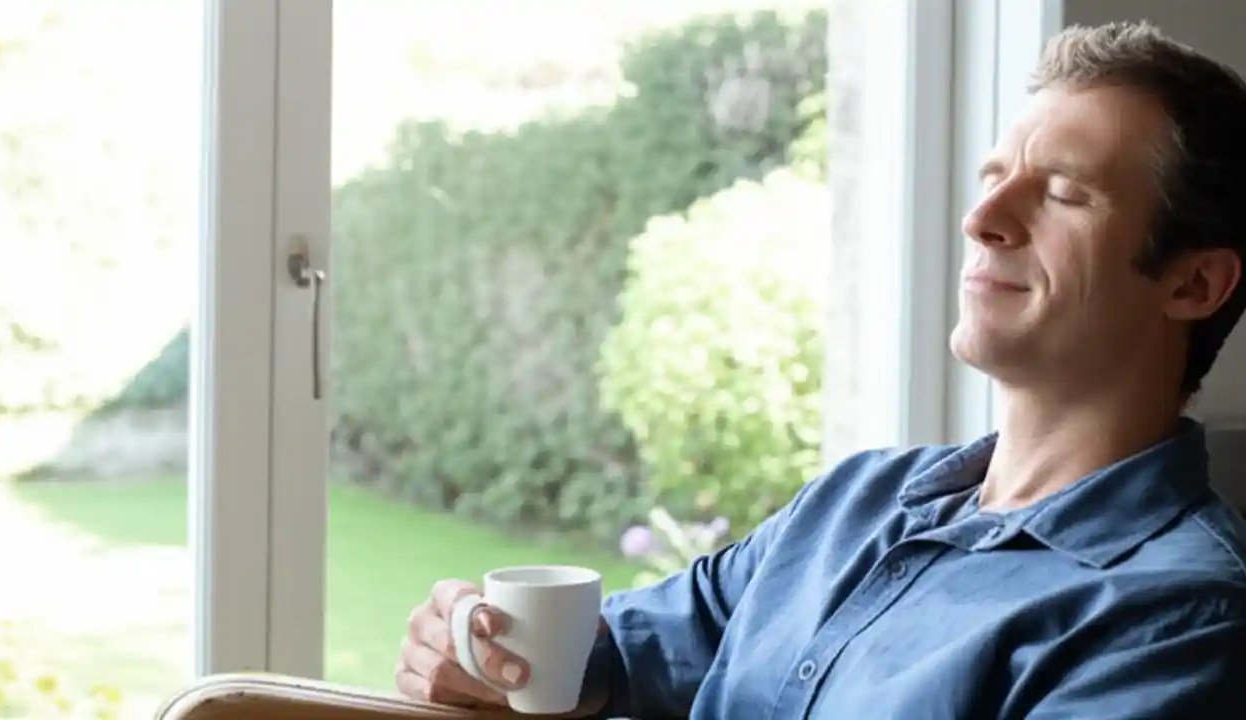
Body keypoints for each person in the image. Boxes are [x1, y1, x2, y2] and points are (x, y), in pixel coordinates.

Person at [394, 21, 1246, 718]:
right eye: (992, 178)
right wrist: (485, 649)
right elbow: (613, 654)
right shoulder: (854, 505)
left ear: (1193, 282)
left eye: (1062, 193)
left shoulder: (1174, 620)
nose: (983, 217)